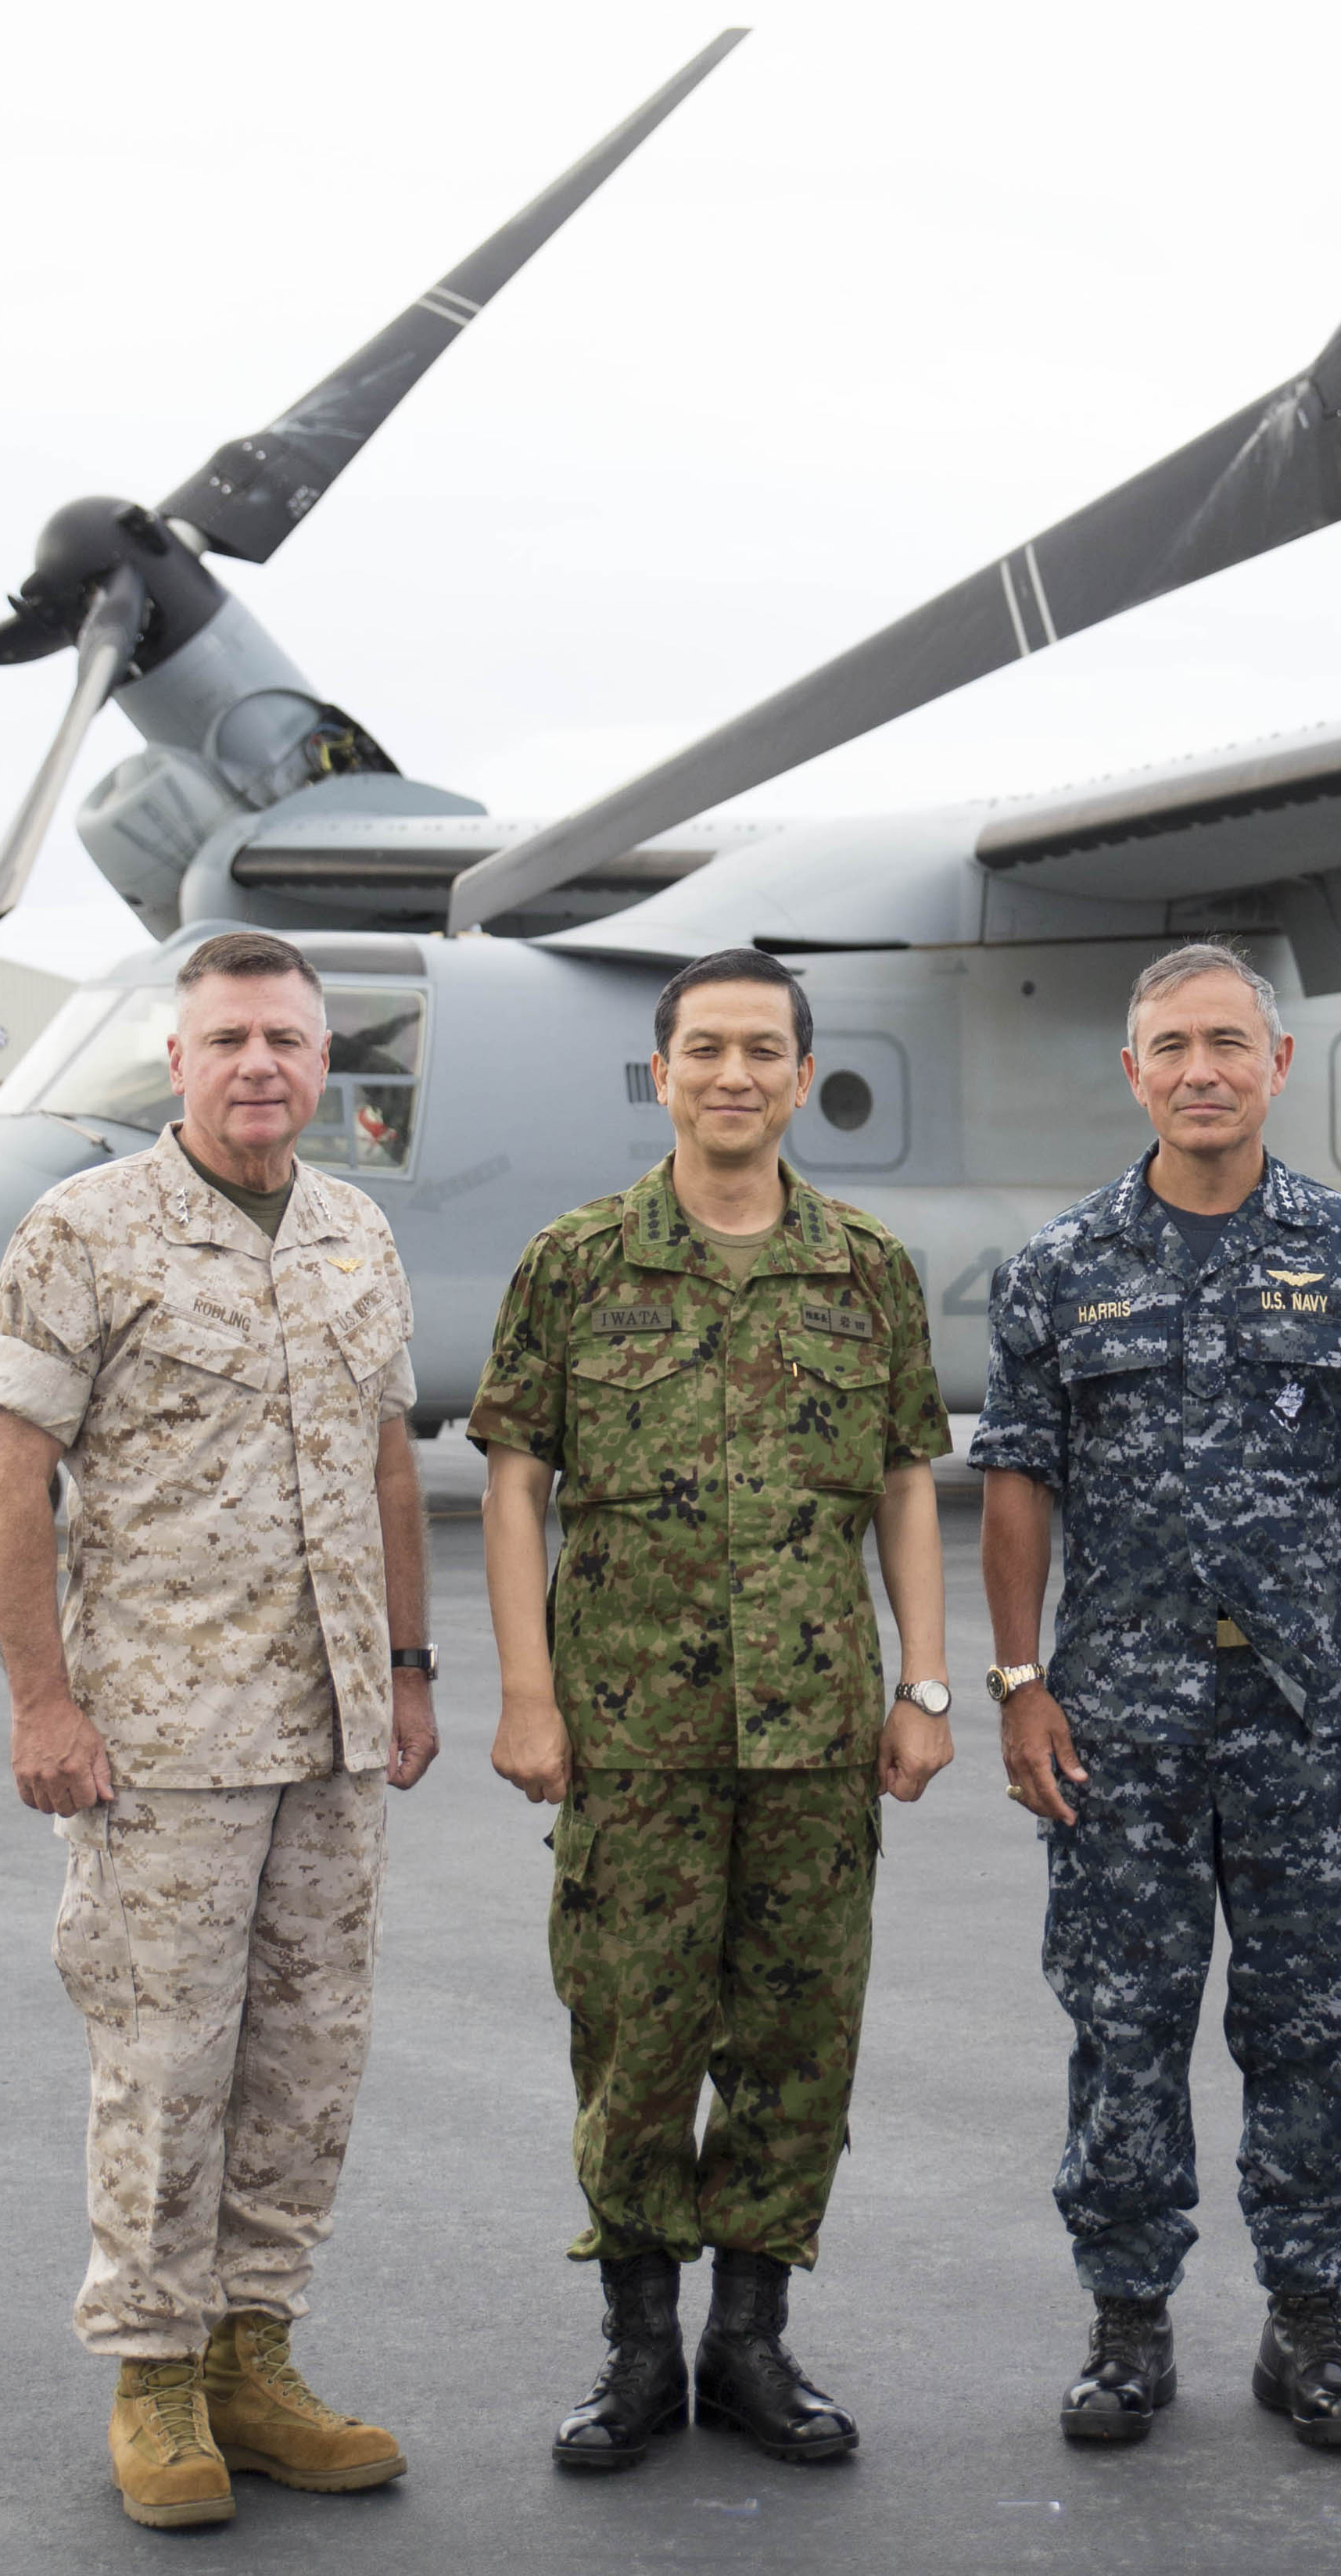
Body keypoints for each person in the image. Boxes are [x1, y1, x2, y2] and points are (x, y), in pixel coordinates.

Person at [0, 927, 437, 2533]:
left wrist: (416, 1667)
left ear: (323, 1066)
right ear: (177, 1061)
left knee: (310, 2057)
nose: (259, 1066)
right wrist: (43, 1699)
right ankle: (153, 2368)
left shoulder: (357, 1232)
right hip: (162, 1733)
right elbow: (12, 1477)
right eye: (229, 1038)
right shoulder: (83, 1229)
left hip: (335, 1730)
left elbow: (388, 1466)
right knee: (165, 2059)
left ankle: (257, 2352)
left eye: (288, 1042)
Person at [469, 947, 954, 2470]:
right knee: (635, 2039)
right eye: (706, 1049)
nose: (734, 1074)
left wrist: (926, 1684)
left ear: (802, 1078)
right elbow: (514, 1480)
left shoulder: (866, 1266)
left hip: (815, 1734)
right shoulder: (577, 1262)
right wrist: (530, 1696)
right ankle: (635, 2353)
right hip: (632, 1736)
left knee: (801, 2040)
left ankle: (750, 2342)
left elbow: (904, 1483)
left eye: (763, 1050)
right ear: (662, 1074)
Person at [972, 942, 1341, 2452]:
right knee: (1126, 2028)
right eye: (1172, 1045)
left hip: (1314, 1719)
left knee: (1311, 2029)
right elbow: (1015, 1483)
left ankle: (1307, 2322)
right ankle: (1127, 2324)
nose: (1201, 1069)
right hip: (1120, 1721)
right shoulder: (1059, 1267)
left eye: (1228, 1043)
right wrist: (1019, 1684)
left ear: (1278, 1065)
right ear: (1134, 1073)